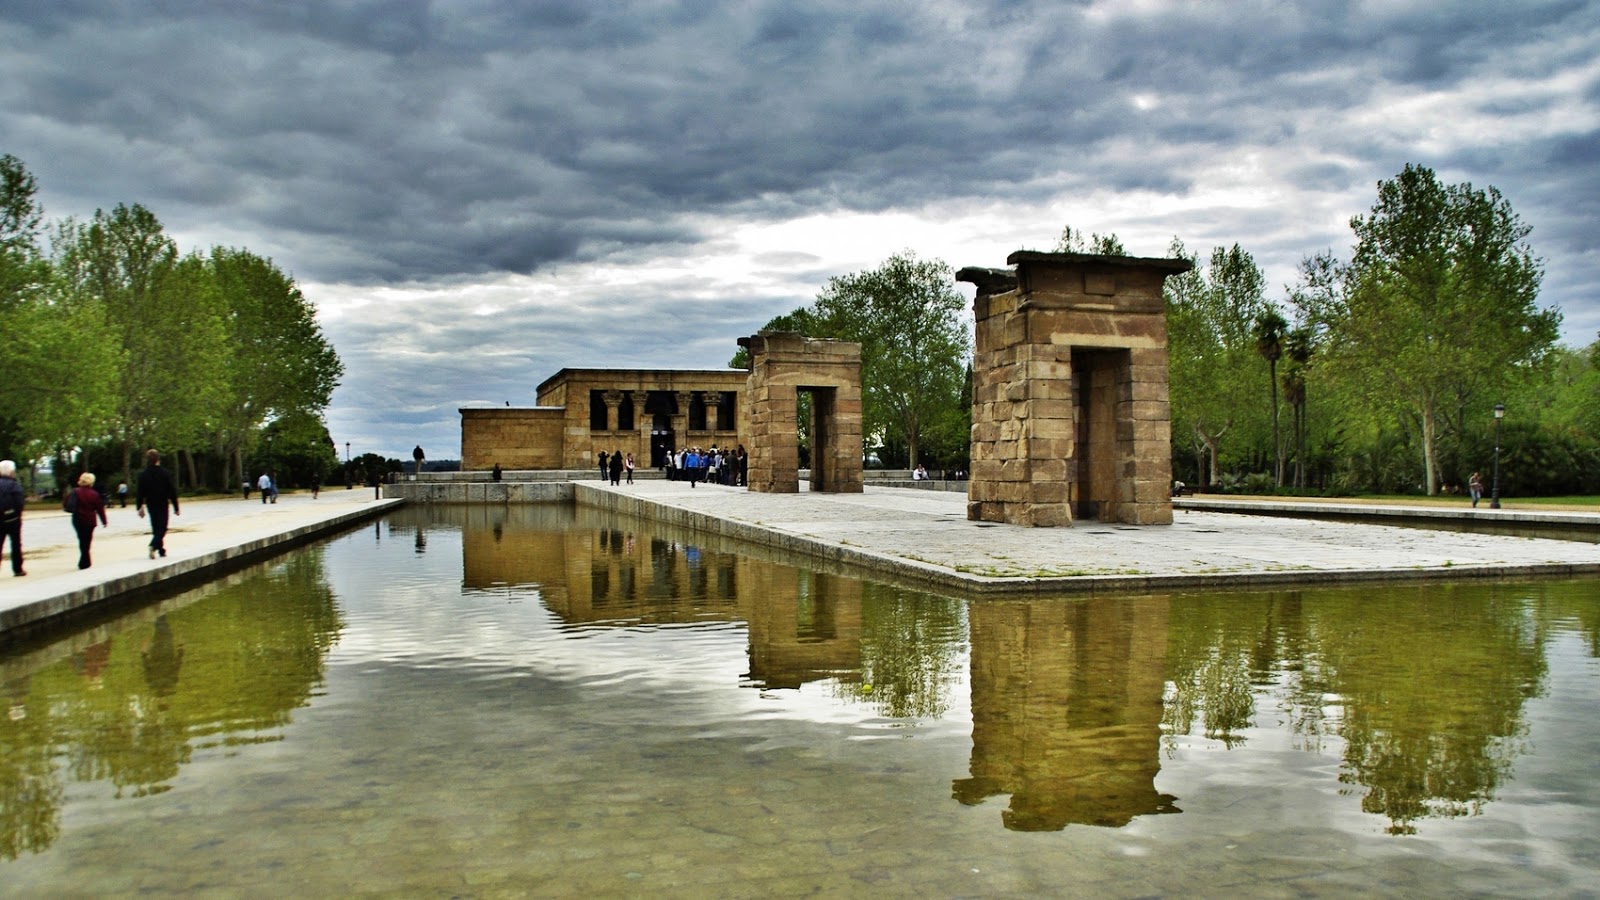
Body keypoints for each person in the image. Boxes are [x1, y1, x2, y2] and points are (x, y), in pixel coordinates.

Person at [136, 449, 181, 559]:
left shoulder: (143, 474)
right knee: (163, 527)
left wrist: (139, 506)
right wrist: (176, 507)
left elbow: (140, 492)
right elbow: (171, 491)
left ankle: (161, 550)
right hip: (162, 502)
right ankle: (153, 545)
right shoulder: (165, 473)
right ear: (158, 459)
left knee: (156, 527)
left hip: (151, 503)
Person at [69, 472, 108, 569]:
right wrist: (104, 521)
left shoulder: (75, 492)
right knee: (87, 540)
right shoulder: (94, 494)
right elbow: (100, 509)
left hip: (78, 519)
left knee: (81, 539)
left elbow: (70, 505)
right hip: (90, 519)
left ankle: (84, 560)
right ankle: (85, 560)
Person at [0, 459, 24, 576]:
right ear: (11, 472)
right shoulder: (14, 485)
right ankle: (17, 569)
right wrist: (17, 514)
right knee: (15, 544)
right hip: (13, 519)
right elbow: (19, 503)